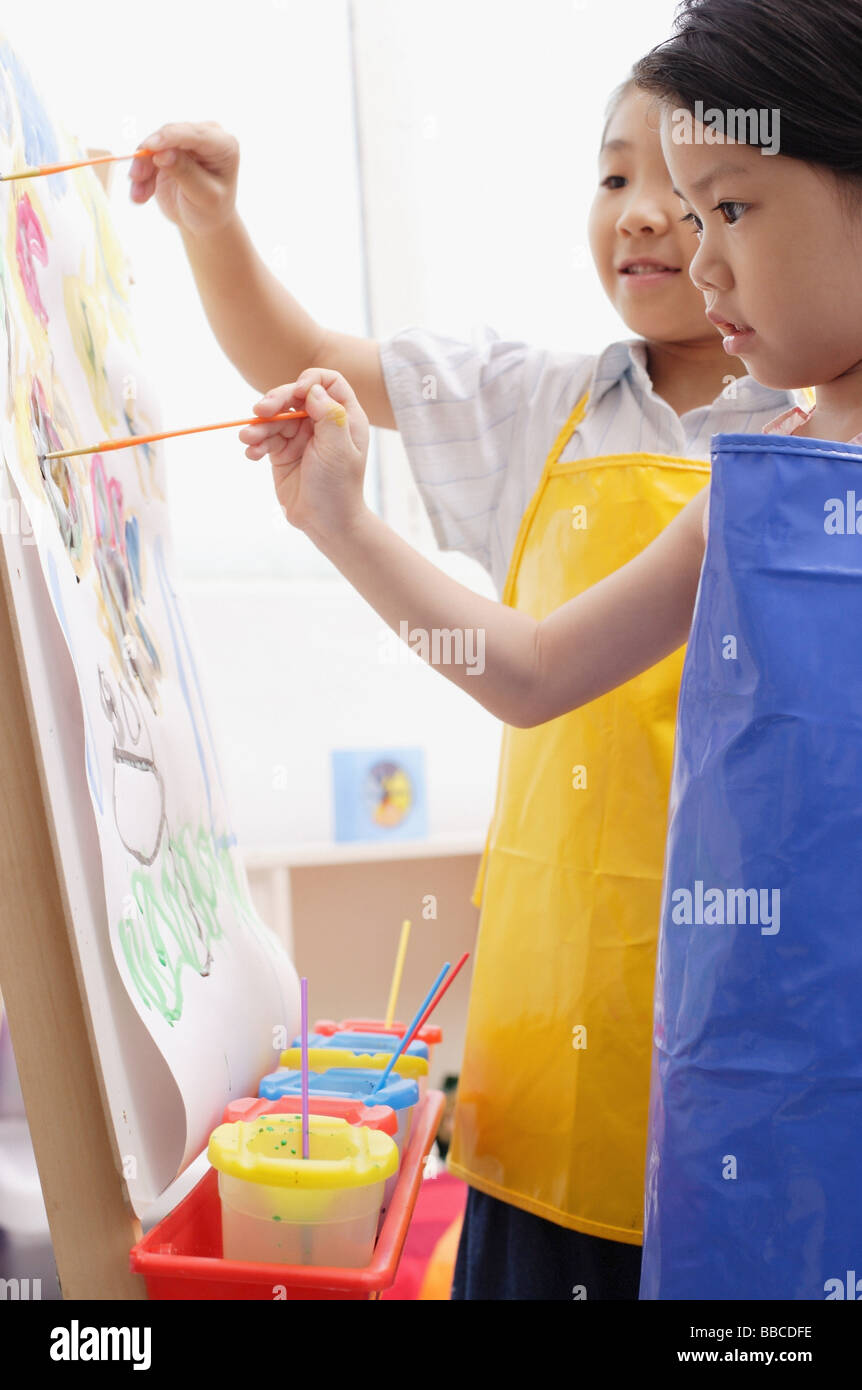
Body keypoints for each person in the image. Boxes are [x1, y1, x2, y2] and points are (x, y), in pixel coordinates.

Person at [130, 76, 796, 1300]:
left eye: (699, 195)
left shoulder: (806, 441)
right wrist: (214, 223)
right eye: (612, 178)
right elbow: (304, 358)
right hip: (552, 1057)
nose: (644, 214)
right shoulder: (543, 401)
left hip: (763, 1071)